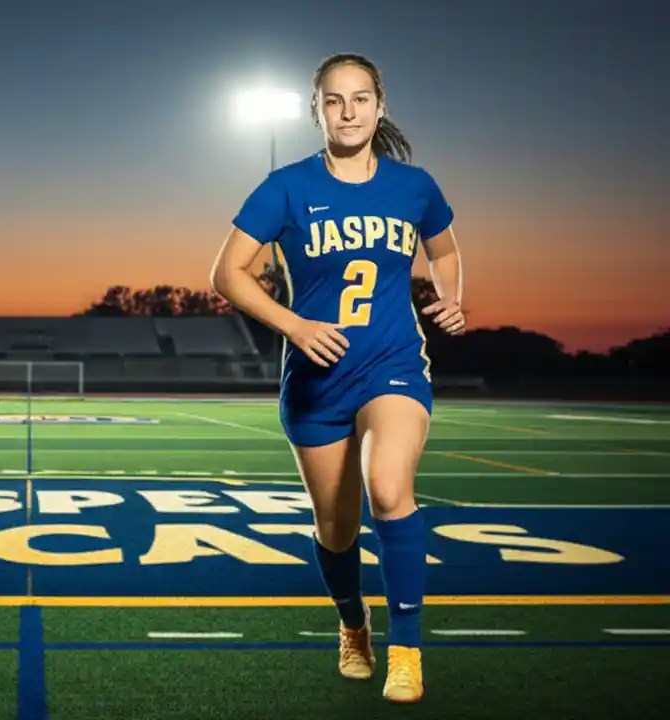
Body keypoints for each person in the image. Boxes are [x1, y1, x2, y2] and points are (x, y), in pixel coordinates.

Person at [210, 52, 466, 704]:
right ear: (317, 109)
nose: (348, 112)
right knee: (336, 528)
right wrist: (294, 326)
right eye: (334, 100)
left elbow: (445, 247)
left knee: (389, 487)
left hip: (393, 364)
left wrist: (450, 296)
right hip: (316, 379)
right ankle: (354, 624)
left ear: (380, 106)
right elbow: (228, 273)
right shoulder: (286, 187)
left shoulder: (415, 186)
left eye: (360, 99)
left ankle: (407, 650)